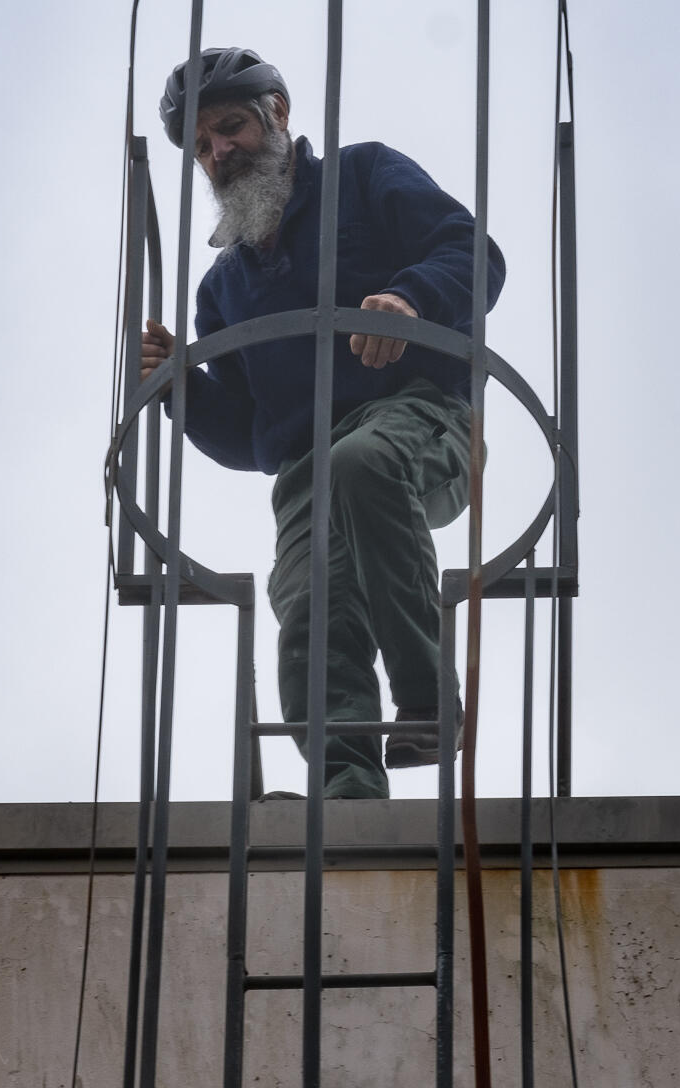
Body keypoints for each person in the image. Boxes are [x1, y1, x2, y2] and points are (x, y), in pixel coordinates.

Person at [141, 49, 506, 802]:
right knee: (309, 604)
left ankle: (427, 701)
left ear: (277, 113)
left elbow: (473, 253)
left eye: (230, 127)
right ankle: (346, 791)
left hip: (423, 417)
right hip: (306, 467)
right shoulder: (222, 291)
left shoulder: (362, 176)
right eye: (202, 145)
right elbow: (248, 431)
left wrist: (409, 298)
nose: (218, 152)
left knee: (363, 463)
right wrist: (181, 388)